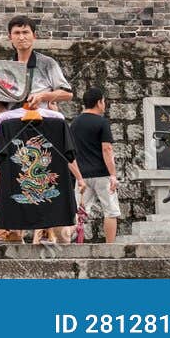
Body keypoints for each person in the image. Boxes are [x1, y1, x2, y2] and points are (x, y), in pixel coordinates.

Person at [0, 73, 77, 243]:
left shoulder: (58, 121)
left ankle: (45, 231)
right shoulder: (5, 121)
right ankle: (20, 232)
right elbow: (69, 155)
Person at [0, 15, 73, 115]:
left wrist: (43, 96)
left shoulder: (47, 63)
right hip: (13, 122)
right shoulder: (5, 67)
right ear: (10, 37)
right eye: (17, 33)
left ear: (34, 35)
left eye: (25, 32)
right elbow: (2, 108)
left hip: (41, 121)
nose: (21, 37)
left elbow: (67, 94)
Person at [71, 87, 120, 243]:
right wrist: (113, 174)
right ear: (99, 102)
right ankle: (110, 247)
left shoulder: (74, 123)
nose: (104, 104)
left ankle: (73, 245)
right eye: (104, 101)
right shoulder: (102, 122)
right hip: (102, 174)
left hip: (82, 176)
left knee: (78, 212)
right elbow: (107, 149)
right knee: (110, 211)